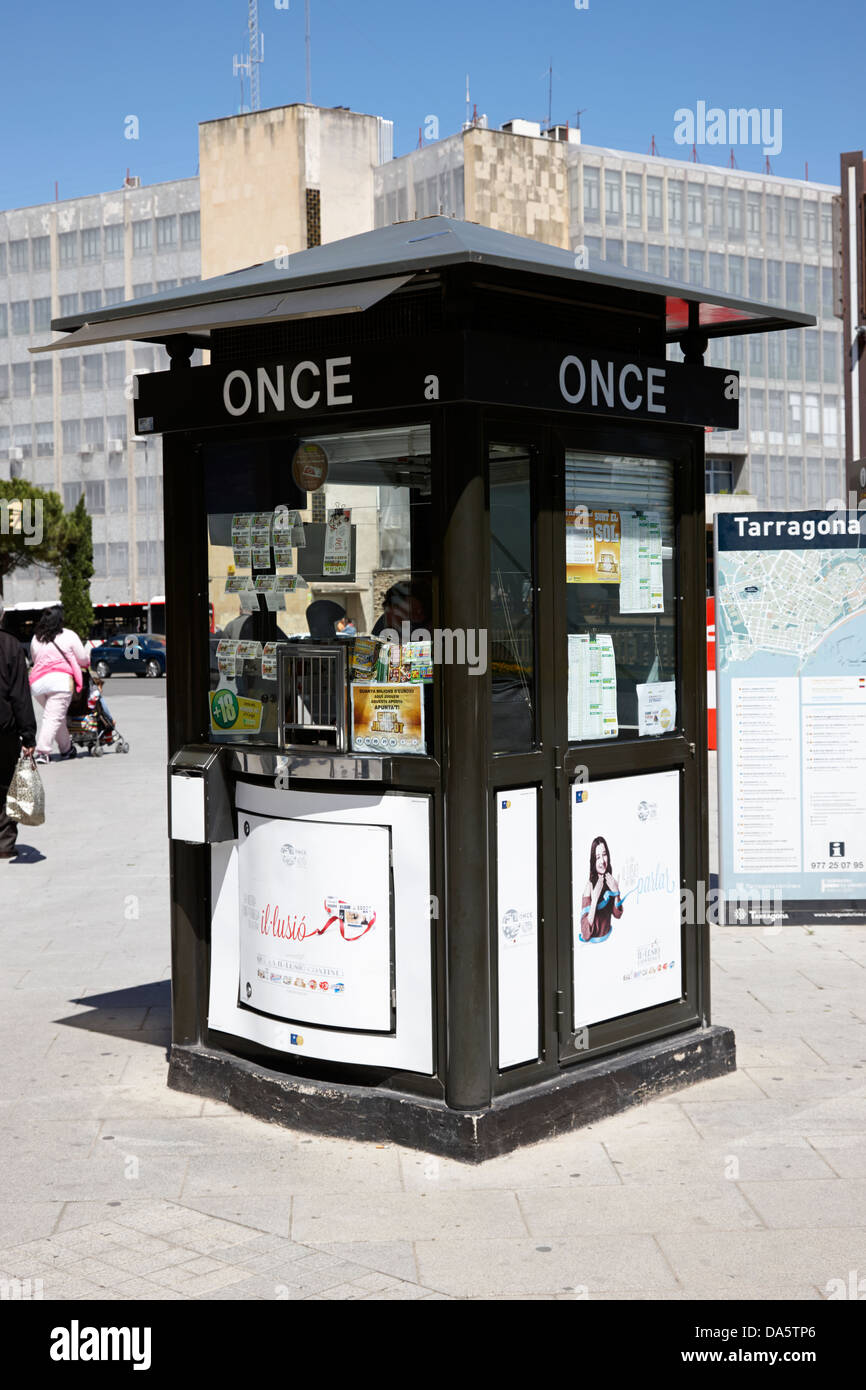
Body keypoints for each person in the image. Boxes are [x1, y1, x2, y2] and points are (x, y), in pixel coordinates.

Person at [0, 598, 37, 859]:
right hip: (4, 731)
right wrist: (28, 734)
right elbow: (20, 695)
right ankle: (4, 843)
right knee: (5, 785)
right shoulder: (11, 645)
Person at [28, 606, 89, 763]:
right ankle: (42, 751)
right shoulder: (69, 635)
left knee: (56, 716)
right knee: (52, 717)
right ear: (60, 619)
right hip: (60, 682)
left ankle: (66, 749)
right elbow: (83, 659)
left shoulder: (36, 638)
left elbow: (35, 659)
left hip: (37, 684)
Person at [580, 835, 623, 942]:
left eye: (604, 855)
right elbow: (585, 934)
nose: (602, 861)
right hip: (594, 946)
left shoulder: (610, 881)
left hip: (609, 939)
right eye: (598, 857)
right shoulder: (589, 886)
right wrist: (594, 901)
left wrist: (616, 893)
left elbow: (617, 915)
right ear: (593, 861)